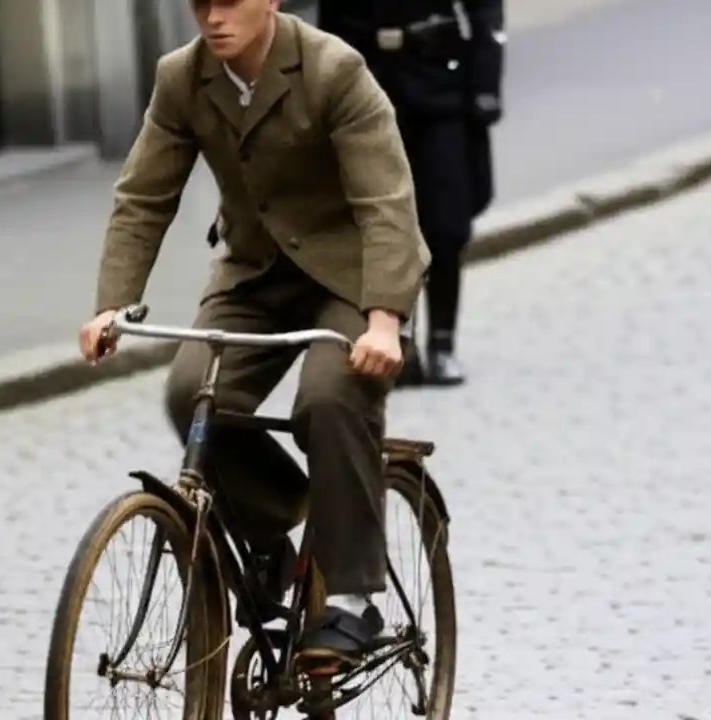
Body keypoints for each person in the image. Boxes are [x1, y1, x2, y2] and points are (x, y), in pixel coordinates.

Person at [78, 0, 430, 671]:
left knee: (329, 398)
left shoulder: (334, 70)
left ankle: (353, 596)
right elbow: (144, 196)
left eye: (229, 1)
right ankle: (270, 528)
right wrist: (112, 307)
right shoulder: (183, 77)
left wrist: (384, 319)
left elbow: (387, 203)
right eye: (199, 2)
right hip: (254, 274)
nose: (213, 17)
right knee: (192, 396)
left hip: (348, 273)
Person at [318, 0, 505, 386]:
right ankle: (396, 342)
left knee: (447, 226)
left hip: (441, 86)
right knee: (379, 227)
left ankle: (442, 343)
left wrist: (485, 86)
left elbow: (485, 12)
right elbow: (330, 30)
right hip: (370, 93)